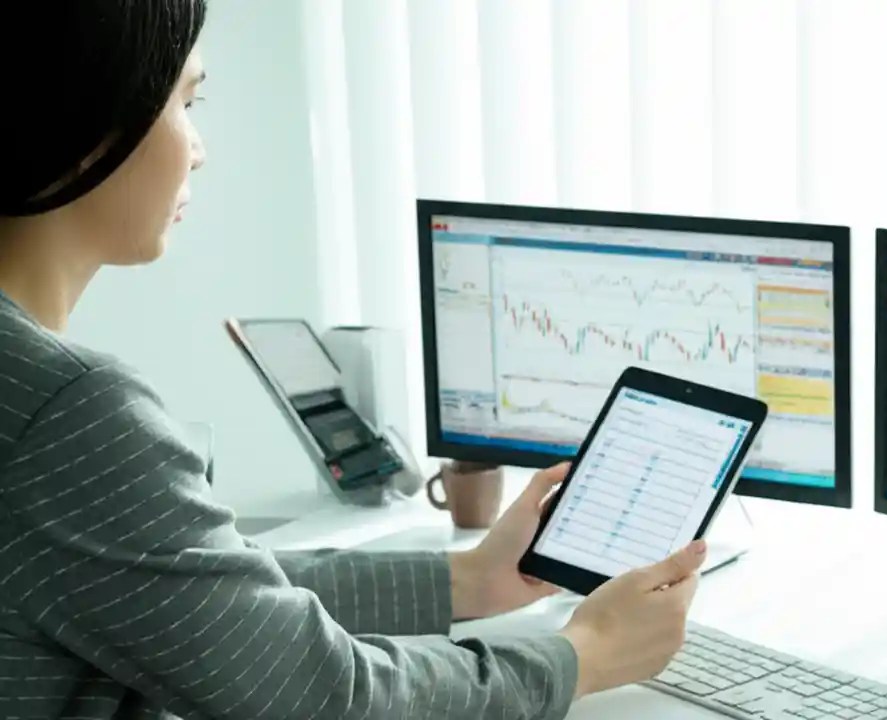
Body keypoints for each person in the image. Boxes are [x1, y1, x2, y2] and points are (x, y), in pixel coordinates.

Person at [0, 2, 706, 718]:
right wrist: (582, 654)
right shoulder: (68, 413)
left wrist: (470, 580)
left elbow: (201, 600)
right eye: (186, 101)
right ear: (86, 118)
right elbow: (327, 696)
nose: (200, 148)